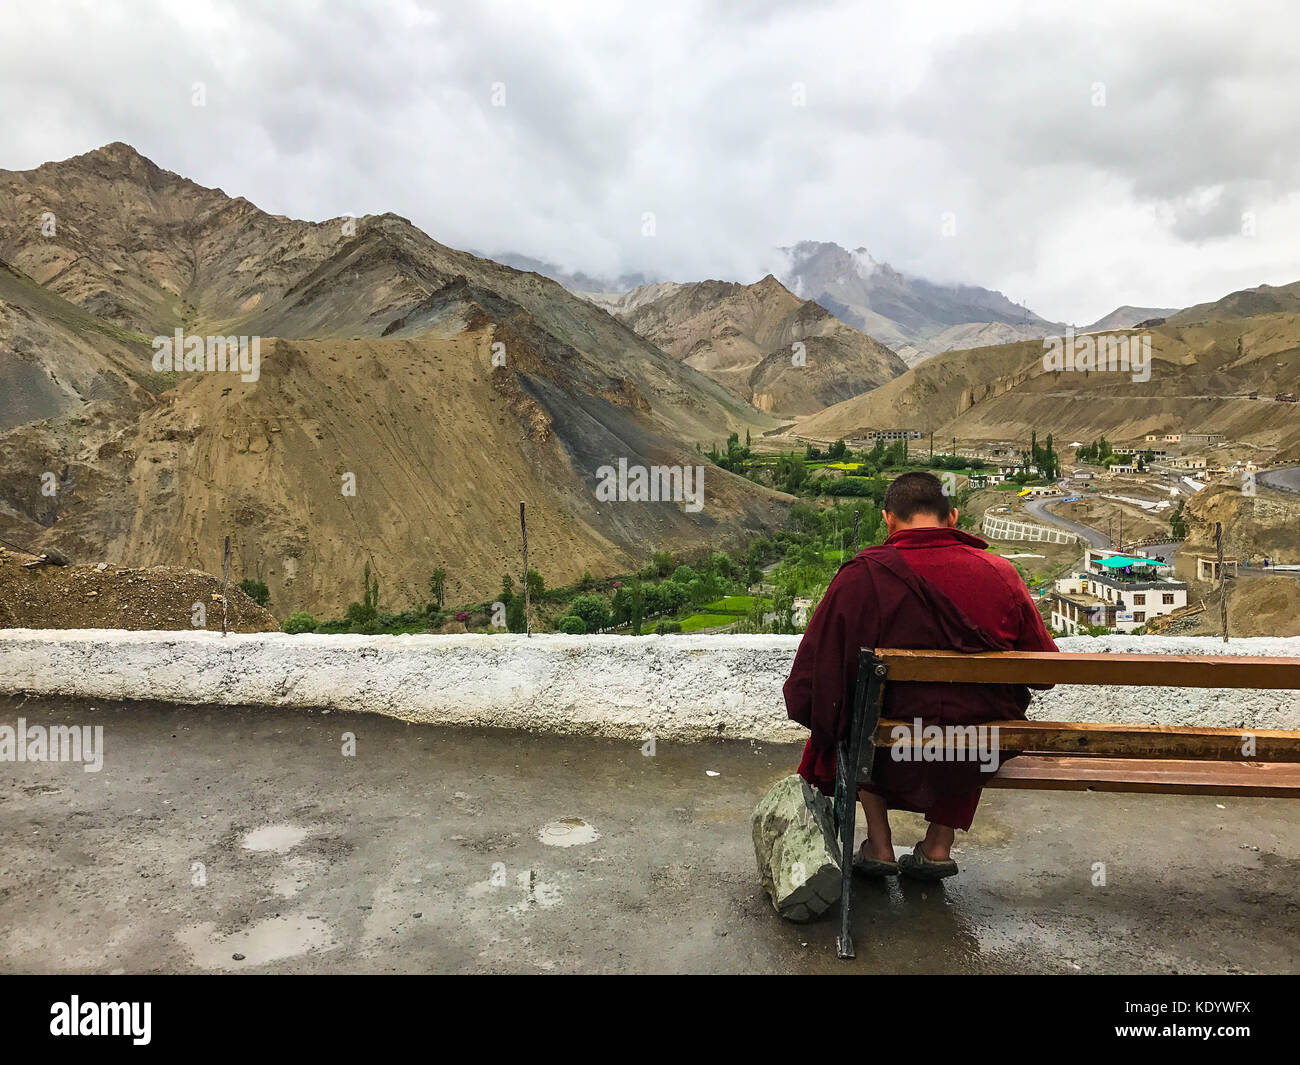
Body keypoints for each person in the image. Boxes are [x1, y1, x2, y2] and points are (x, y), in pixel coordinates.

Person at [783, 471, 1058, 881]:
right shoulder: (1000, 573)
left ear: (888, 520)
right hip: (971, 749)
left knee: (858, 719)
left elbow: (809, 681)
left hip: (888, 749)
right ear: (953, 517)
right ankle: (937, 844)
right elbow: (1044, 672)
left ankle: (879, 842)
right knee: (977, 713)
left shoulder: (861, 576)